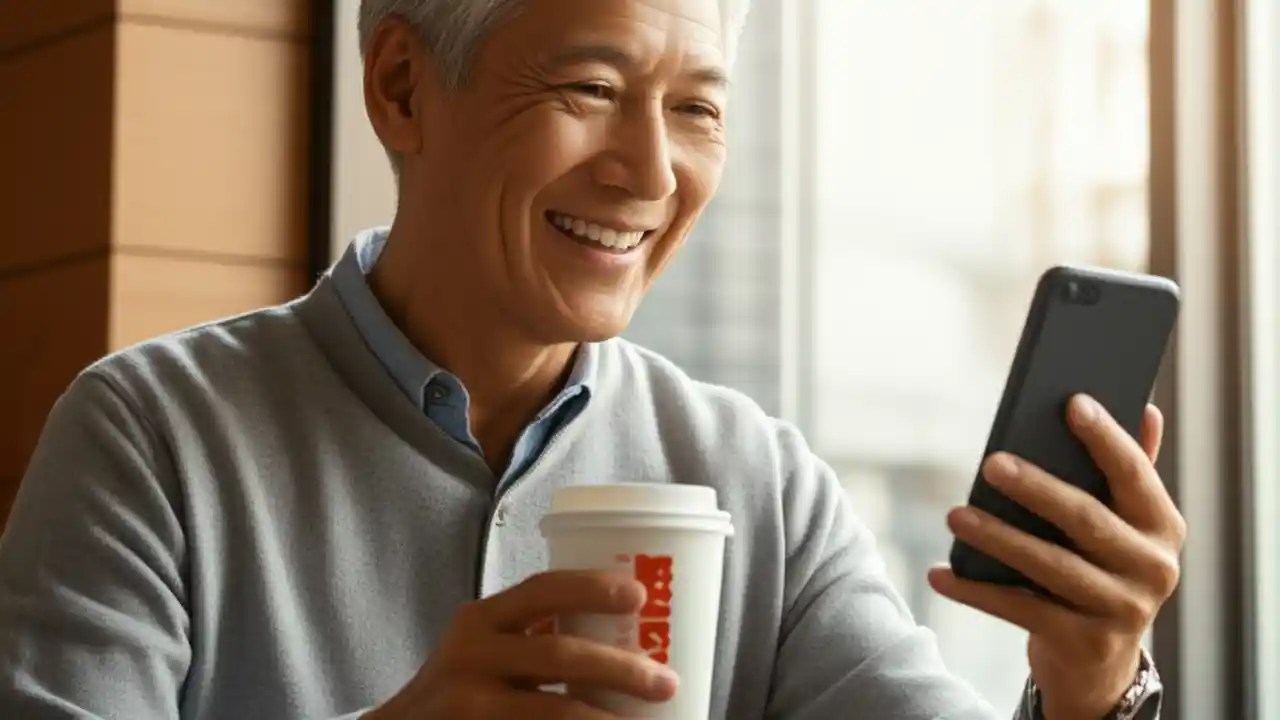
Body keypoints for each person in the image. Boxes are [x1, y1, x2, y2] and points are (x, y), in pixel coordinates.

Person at [0, 0, 1185, 718]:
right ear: (401, 88)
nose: (652, 174)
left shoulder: (754, 479)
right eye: (591, 87)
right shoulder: (148, 438)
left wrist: (1092, 689)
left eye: (697, 110)